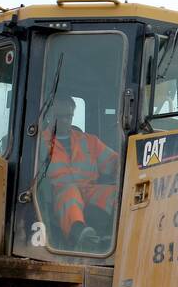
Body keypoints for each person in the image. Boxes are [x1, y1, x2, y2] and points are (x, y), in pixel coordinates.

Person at [40, 95, 120, 251]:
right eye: (59, 116)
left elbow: (114, 162)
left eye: (68, 116)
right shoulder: (39, 143)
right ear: (49, 116)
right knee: (70, 192)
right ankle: (80, 235)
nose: (64, 120)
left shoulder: (89, 141)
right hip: (59, 193)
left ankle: (107, 234)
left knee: (115, 193)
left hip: (88, 190)